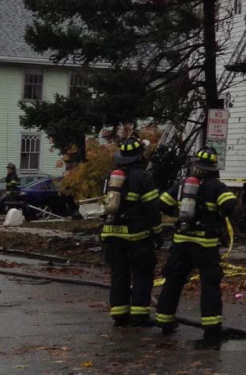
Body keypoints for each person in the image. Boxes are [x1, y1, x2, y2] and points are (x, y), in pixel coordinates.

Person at [156, 147, 237, 340]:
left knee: (173, 280)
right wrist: (217, 215)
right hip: (205, 245)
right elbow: (230, 204)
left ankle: (165, 320)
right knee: (210, 284)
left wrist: (178, 214)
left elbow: (162, 203)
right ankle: (212, 328)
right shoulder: (216, 187)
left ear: (196, 165)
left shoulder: (182, 185)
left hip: (181, 242)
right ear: (214, 167)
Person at [100, 136, 162, 327]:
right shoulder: (143, 177)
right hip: (136, 236)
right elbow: (152, 208)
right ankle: (139, 315)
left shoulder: (111, 177)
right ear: (139, 157)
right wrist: (158, 233)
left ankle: (119, 314)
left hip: (111, 234)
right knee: (142, 273)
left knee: (119, 274)